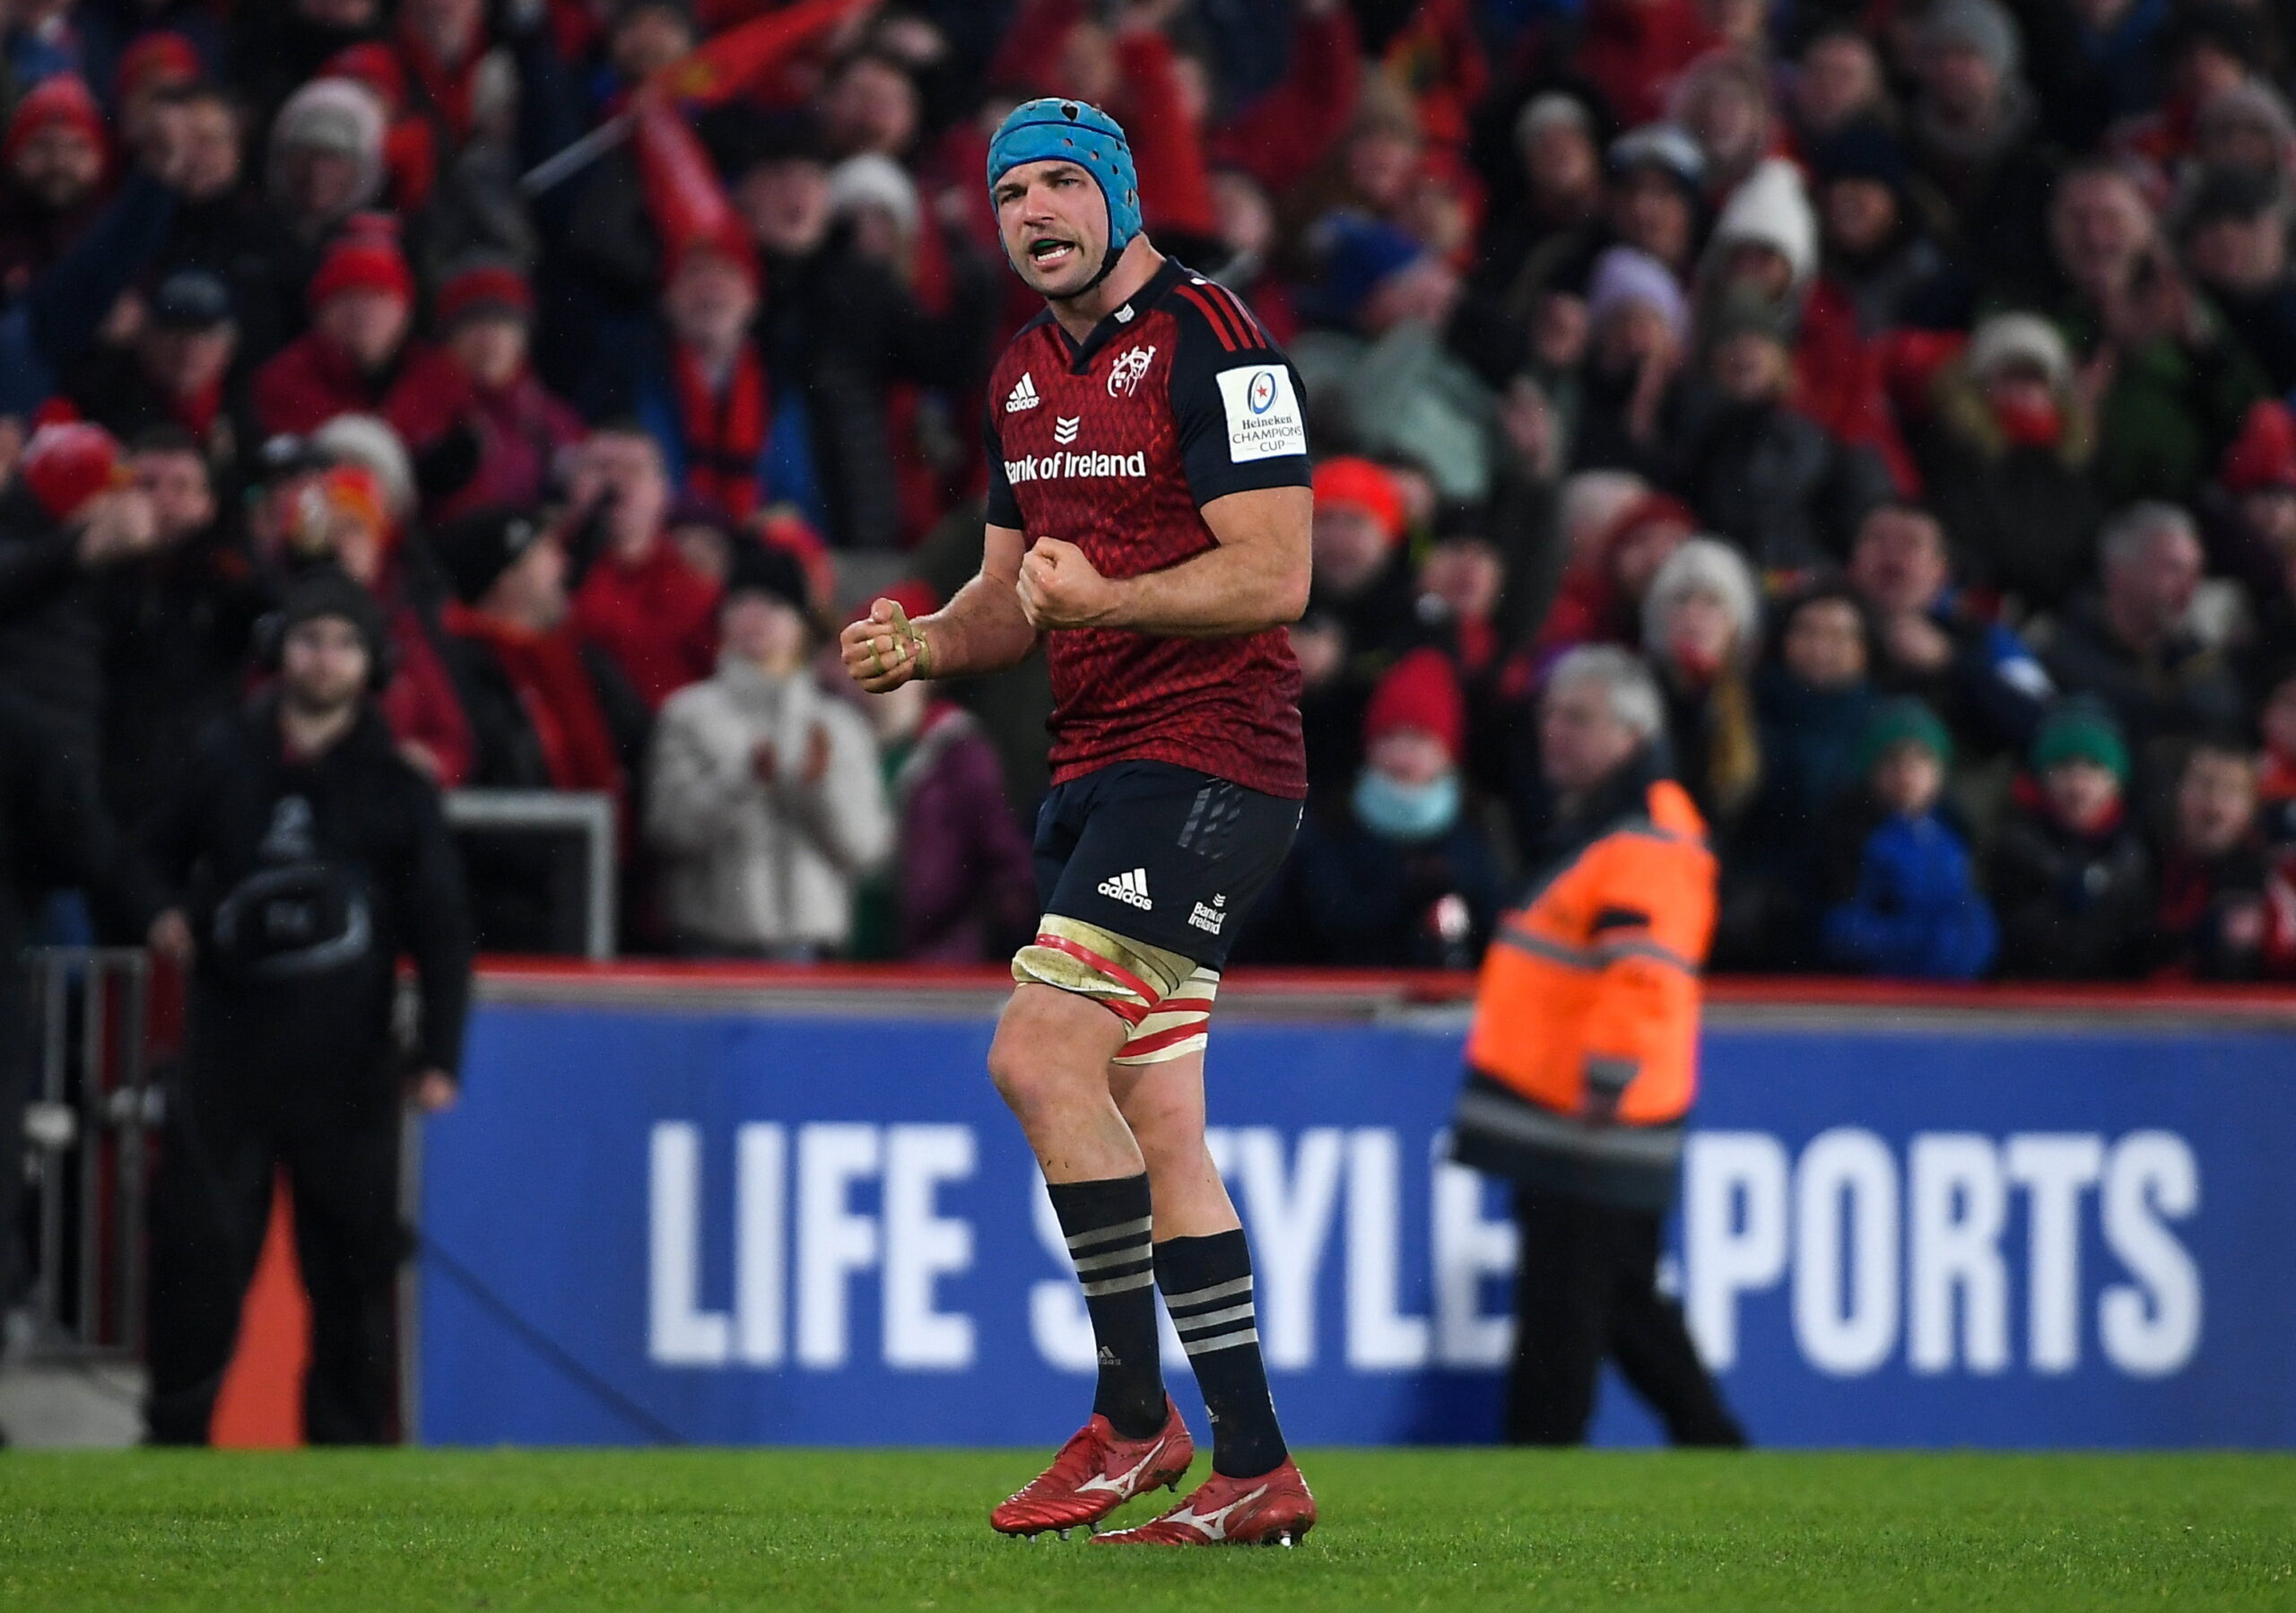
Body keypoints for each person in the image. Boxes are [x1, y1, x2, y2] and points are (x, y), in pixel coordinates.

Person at [840, 99, 1316, 1546]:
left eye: (1062, 184)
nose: (1035, 212)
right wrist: (923, 644)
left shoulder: (1220, 341)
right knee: (1160, 1118)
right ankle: (1252, 1465)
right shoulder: (1022, 374)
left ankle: (1128, 1419)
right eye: (1011, 195)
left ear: (1118, 194)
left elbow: (1276, 572)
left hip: (1215, 762)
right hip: (1096, 767)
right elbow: (1008, 600)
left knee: (1038, 1050)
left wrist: (1108, 601)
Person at [141, 571, 473, 1443]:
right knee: (199, 1256)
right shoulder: (219, 756)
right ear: (278, 652)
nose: (323, 660)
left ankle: (348, 1453)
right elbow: (144, 853)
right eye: (309, 640)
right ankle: (173, 1438)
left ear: (370, 665)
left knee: (354, 1270)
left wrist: (440, 1053)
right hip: (228, 1058)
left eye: (342, 644)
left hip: (348, 1066)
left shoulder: (396, 789)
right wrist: (159, 911)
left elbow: (442, 928)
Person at [1450, 645, 1745, 1448]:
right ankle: (1715, 1444)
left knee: (1566, 1310)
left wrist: (1609, 1077)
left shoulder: (1641, 838)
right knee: (1618, 1299)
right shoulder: (1610, 826)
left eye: (1578, 719)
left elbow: (1643, 976)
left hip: (1593, 1112)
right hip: (1584, 1109)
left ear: (1630, 732)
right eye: (1550, 716)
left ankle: (1540, 1464)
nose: (1555, 733)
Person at [647, 541, 890, 958]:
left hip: (808, 950)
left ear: (801, 626)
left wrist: (817, 786)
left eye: (775, 603)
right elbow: (668, 830)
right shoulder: (686, 715)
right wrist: (744, 777)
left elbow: (865, 848)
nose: (756, 615)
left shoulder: (839, 727)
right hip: (707, 945)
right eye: (743, 601)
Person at [1819, 698, 1999, 980]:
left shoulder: (1957, 833)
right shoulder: (1848, 835)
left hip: (1956, 995)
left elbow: (1975, 920)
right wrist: (1923, 944)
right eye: (1893, 760)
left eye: (1921, 758)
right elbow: (1844, 931)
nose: (1906, 773)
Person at [1992, 700, 2155, 979]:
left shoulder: (2134, 857)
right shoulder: (2013, 848)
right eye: (2064, 767)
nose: (2078, 785)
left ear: (2115, 781)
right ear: (2041, 777)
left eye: (2094, 767)